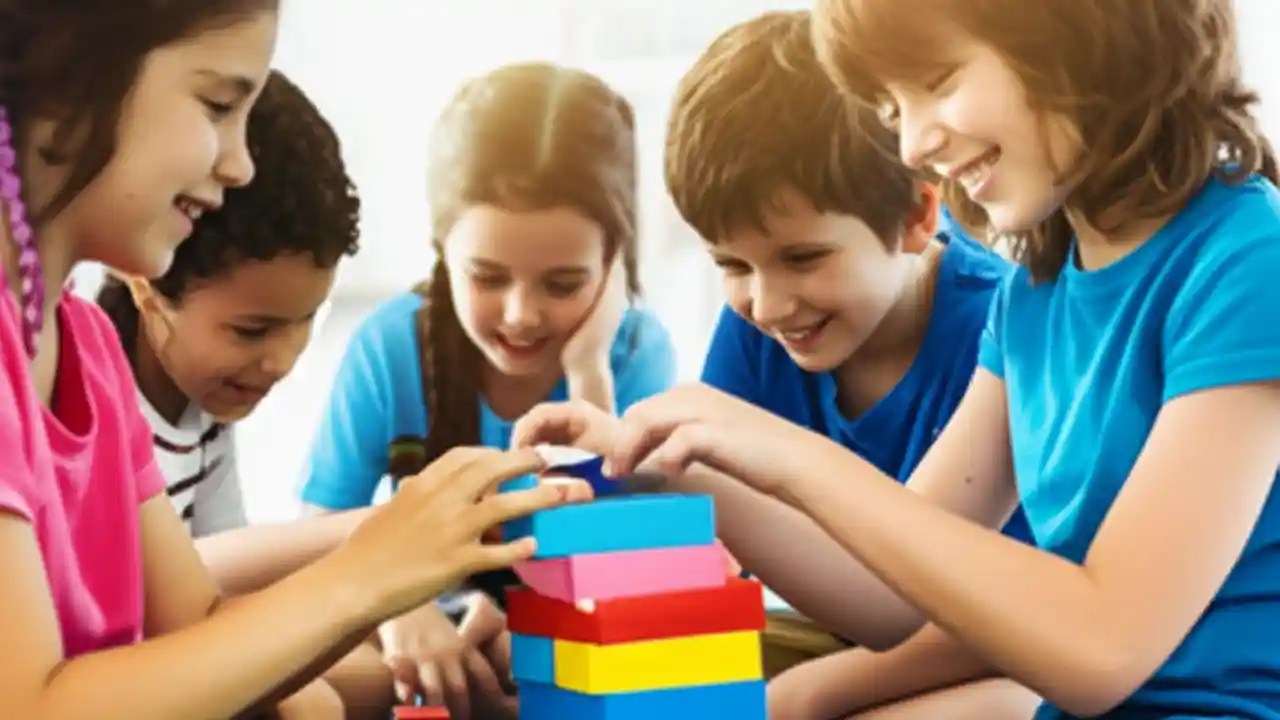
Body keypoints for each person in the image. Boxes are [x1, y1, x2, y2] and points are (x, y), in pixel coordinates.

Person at [513, 0, 1280, 717]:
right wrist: (667, 460)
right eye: (892, 108)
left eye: (938, 83)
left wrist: (782, 450)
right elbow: (888, 598)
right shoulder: (1036, 293)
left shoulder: (1248, 261)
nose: (914, 144)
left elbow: (1105, 644)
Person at [0, 4, 583, 718]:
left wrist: (406, 543)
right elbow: (29, 706)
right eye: (217, 104)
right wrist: (370, 569)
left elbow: (201, 621)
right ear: (67, 82)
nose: (239, 162)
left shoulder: (87, 347)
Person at [661, 12, 1034, 715]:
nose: (766, 304)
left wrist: (816, 694)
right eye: (732, 265)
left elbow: (1015, 622)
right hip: (829, 636)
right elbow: (721, 547)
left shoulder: (999, 330)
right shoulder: (758, 329)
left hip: (979, 659)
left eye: (803, 258)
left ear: (918, 217)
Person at [300, 62, 676, 717]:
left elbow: (625, 575)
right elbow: (320, 531)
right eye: (487, 277)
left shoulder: (637, 354)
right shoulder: (392, 345)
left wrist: (590, 377)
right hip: (413, 629)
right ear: (444, 247)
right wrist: (402, 608)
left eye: (562, 284)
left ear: (613, 258)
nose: (520, 315)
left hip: (562, 641)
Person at [96, 68, 400, 718]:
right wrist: (384, 534)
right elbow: (191, 575)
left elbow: (218, 600)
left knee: (374, 676)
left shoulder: (204, 410)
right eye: (251, 330)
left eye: (304, 322)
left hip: (182, 648)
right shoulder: (103, 395)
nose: (282, 359)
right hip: (124, 673)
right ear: (148, 285)